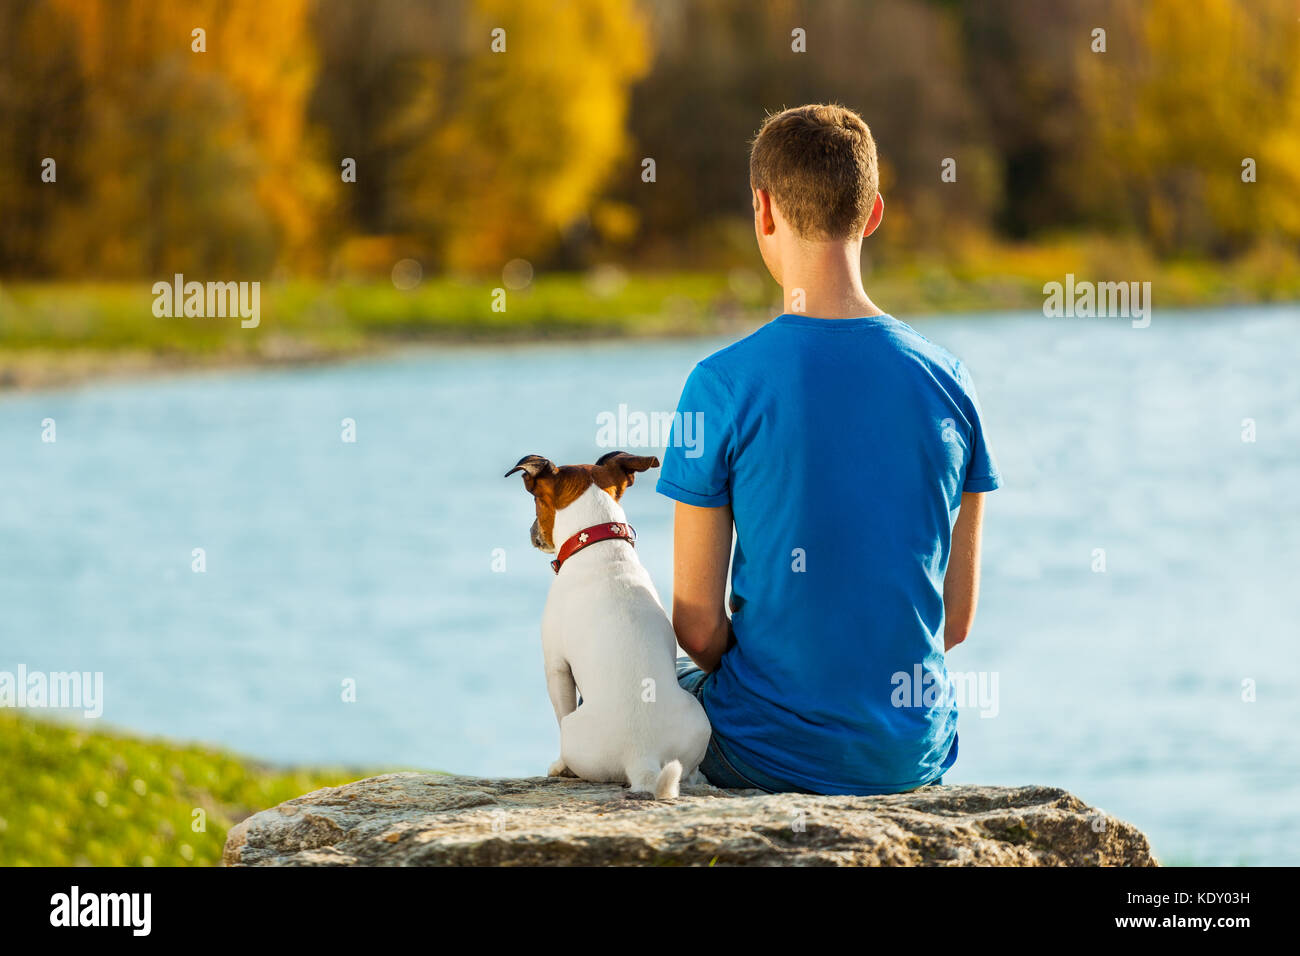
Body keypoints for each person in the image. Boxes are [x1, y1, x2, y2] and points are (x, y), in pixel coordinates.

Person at [658, 104, 1001, 795]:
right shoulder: (950, 382)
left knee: (617, 678)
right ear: (873, 213)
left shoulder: (720, 385)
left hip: (763, 755)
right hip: (910, 755)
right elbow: (955, 622)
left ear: (762, 211)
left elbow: (696, 629)